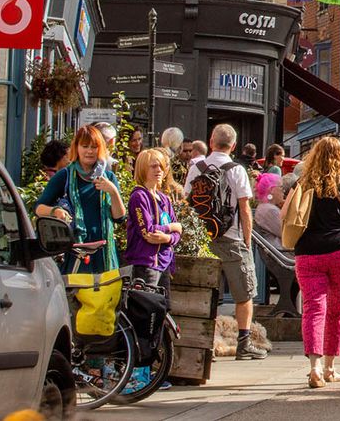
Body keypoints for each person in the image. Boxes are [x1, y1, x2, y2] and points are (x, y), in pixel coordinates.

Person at [285, 135, 340, 388]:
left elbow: (284, 214)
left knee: (313, 309)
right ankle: (331, 367)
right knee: (336, 309)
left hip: (308, 252)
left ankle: (315, 368)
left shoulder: (302, 183)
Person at [186, 123, 266, 359]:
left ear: (211, 142)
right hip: (231, 238)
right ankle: (244, 343)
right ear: (233, 146)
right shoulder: (237, 170)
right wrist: (247, 240)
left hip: (203, 240)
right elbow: (244, 208)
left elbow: (186, 203)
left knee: (207, 294)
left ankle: (204, 344)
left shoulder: (196, 167)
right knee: (244, 295)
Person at [35, 124, 124, 274]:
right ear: (76, 148)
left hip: (103, 254)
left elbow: (119, 217)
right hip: (75, 254)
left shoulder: (108, 178)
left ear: (100, 149)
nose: (89, 151)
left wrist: (113, 191)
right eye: (85, 146)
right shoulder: (65, 175)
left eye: (94, 147)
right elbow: (39, 208)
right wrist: (55, 211)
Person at [122, 147, 181, 290]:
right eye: (153, 166)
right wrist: (171, 228)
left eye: (161, 166)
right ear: (143, 169)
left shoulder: (164, 199)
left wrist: (168, 238)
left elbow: (178, 233)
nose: (159, 170)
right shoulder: (139, 196)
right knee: (146, 306)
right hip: (146, 264)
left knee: (162, 308)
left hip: (165, 263)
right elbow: (148, 232)